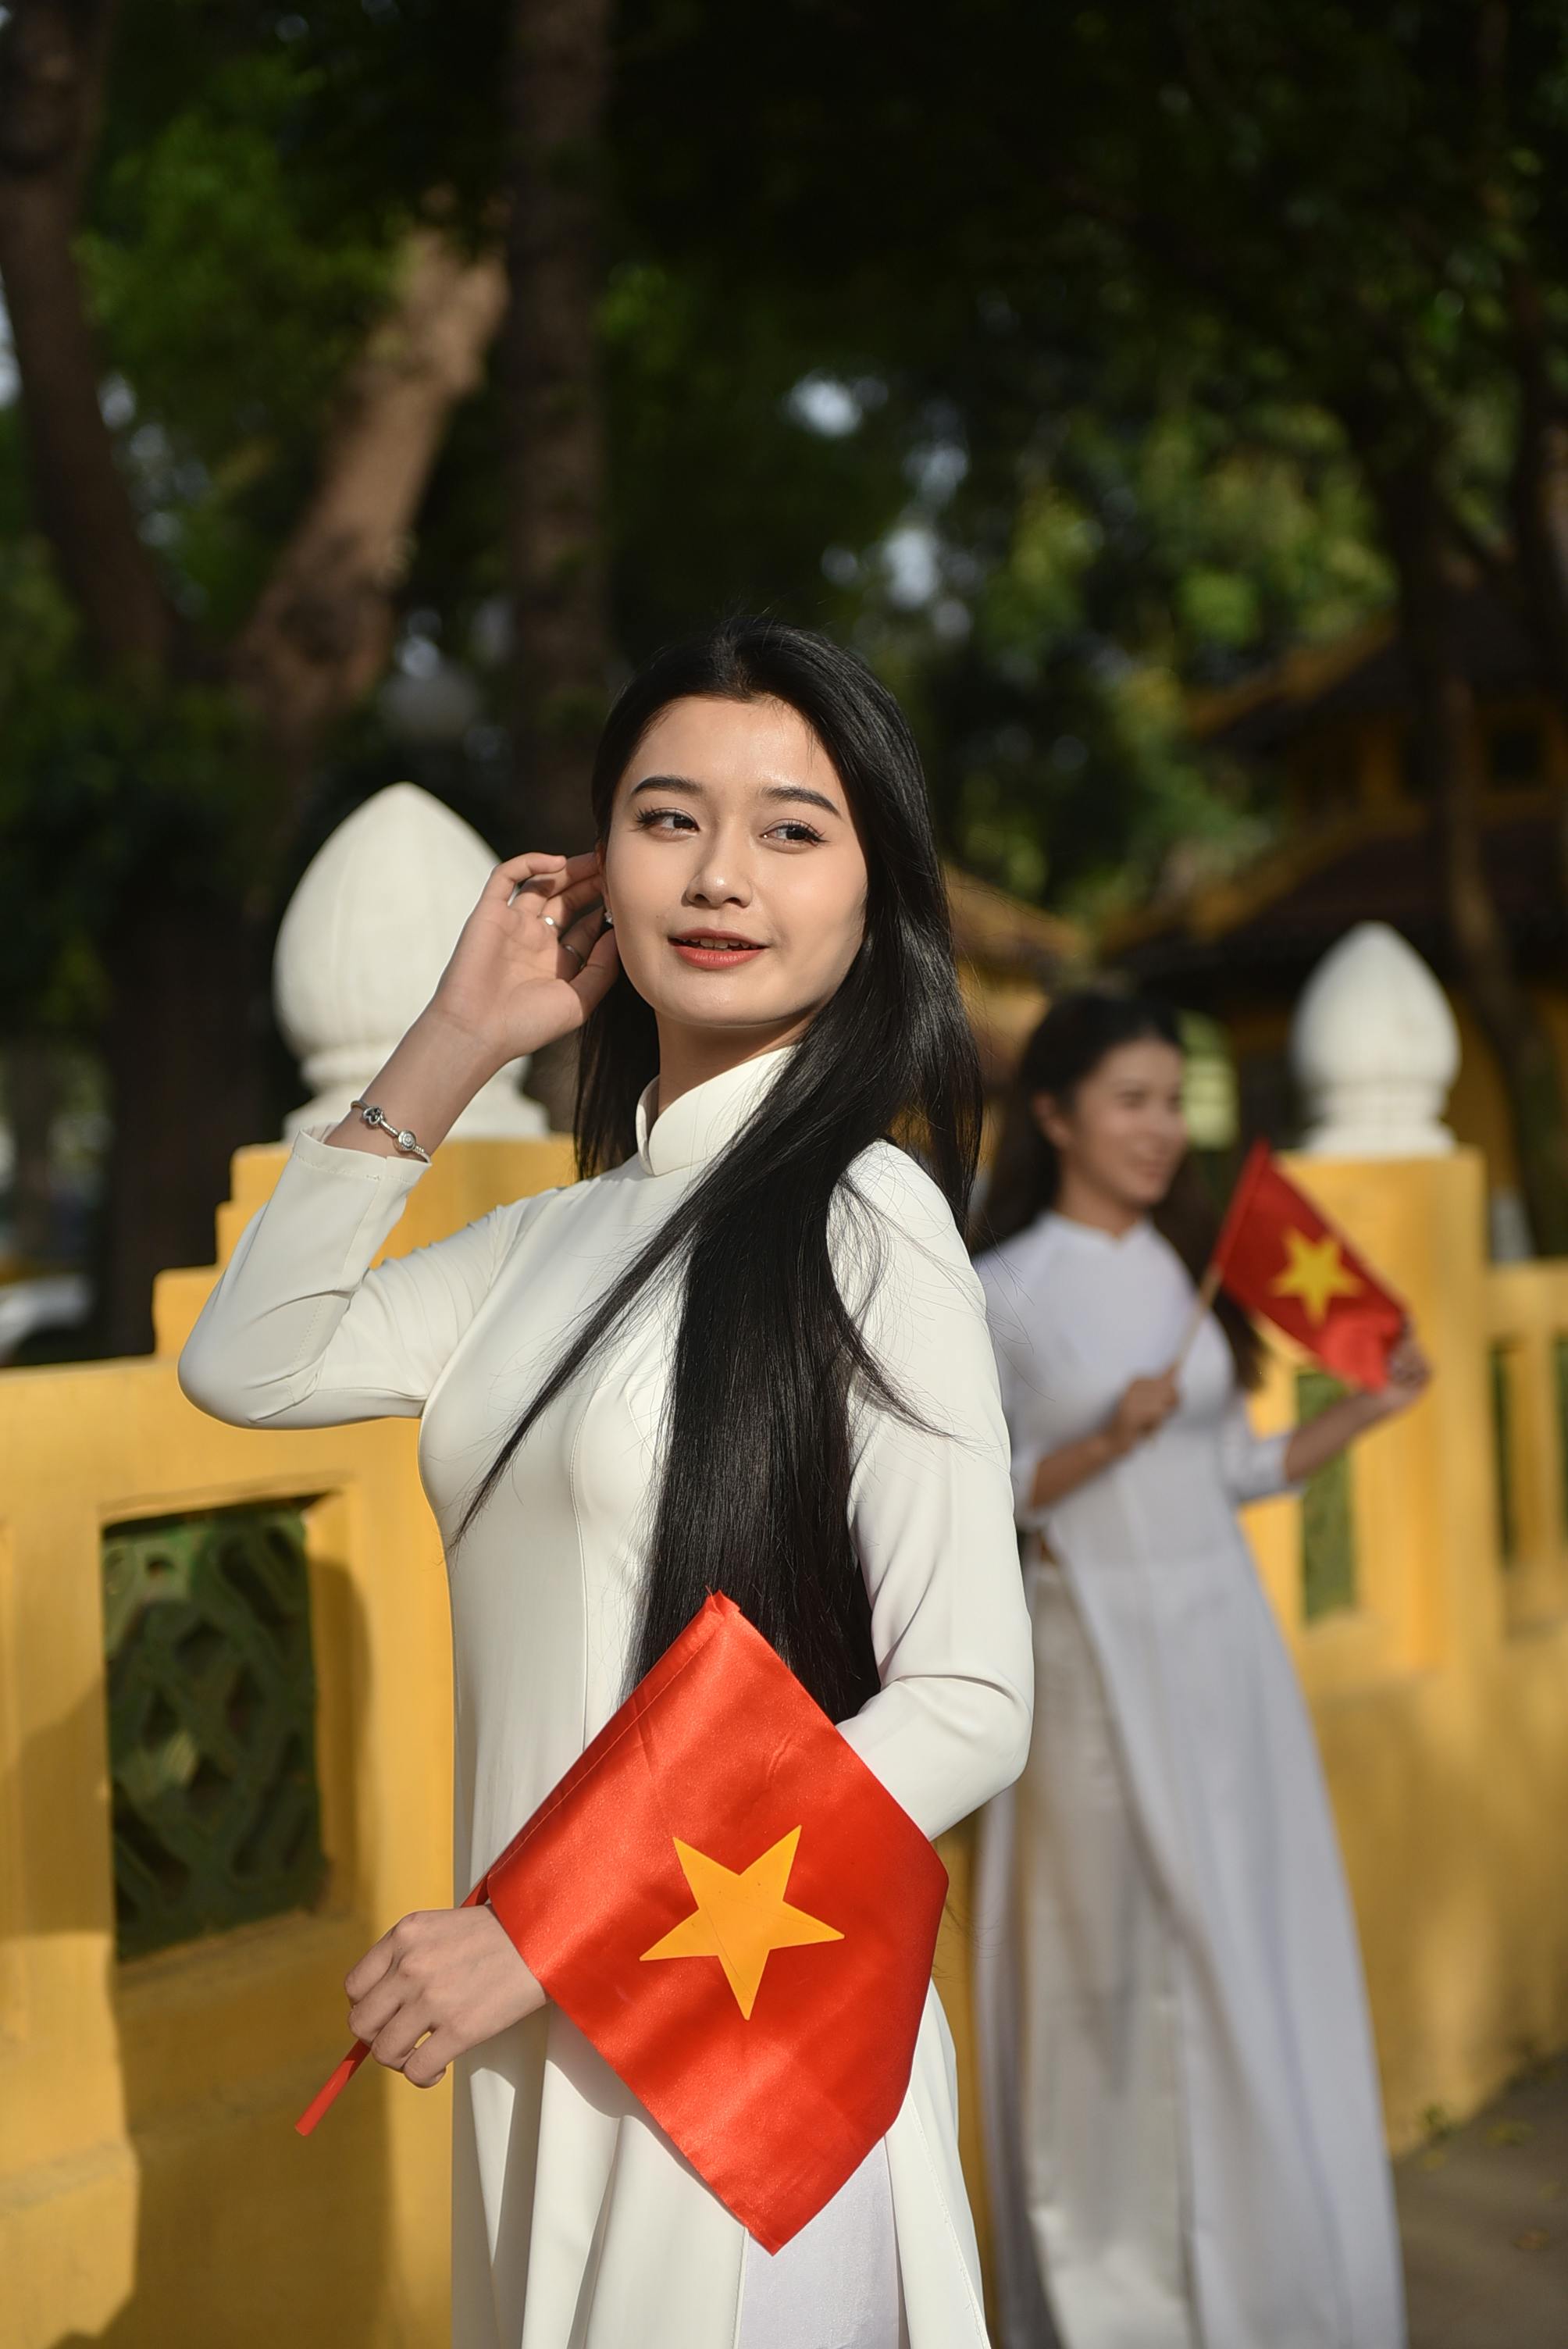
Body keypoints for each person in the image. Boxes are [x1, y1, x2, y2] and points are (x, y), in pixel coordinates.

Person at [179, 618, 1032, 2349]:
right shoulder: (543, 1244)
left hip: (729, 2038)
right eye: (667, 818)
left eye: (792, 829)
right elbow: (246, 1358)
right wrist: (450, 1037)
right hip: (542, 2034)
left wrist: (548, 1934)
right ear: (595, 869)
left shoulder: (866, 1219)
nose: (721, 875)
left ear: (874, 898)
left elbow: (966, 1698)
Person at [971, 991, 1426, 2349]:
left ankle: (1273, 2287)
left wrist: (1366, 1408)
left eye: (1176, 1102)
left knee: (1249, 1957)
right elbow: (968, 1497)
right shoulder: (999, 1294)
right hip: (1089, 1666)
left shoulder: (1186, 1270)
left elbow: (1223, 1472)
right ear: (1053, 1115)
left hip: (1224, 1652)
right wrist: (1101, 1443)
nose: (1164, 1131)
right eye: (1133, 1102)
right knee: (1097, 1984)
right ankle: (1119, 2304)